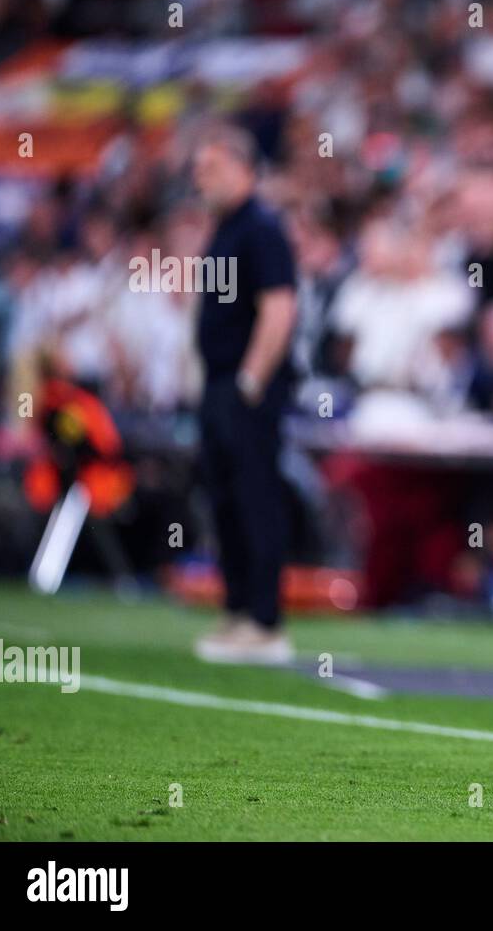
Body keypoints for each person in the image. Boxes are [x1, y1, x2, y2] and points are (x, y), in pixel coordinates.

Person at [190, 125, 299, 664]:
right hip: (218, 382)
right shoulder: (226, 228)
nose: (198, 178)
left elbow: (279, 307)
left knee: (256, 499)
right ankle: (237, 610)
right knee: (225, 499)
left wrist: (251, 379)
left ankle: (265, 619)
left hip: (245, 386)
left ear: (241, 166)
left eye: (209, 167)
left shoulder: (261, 227)